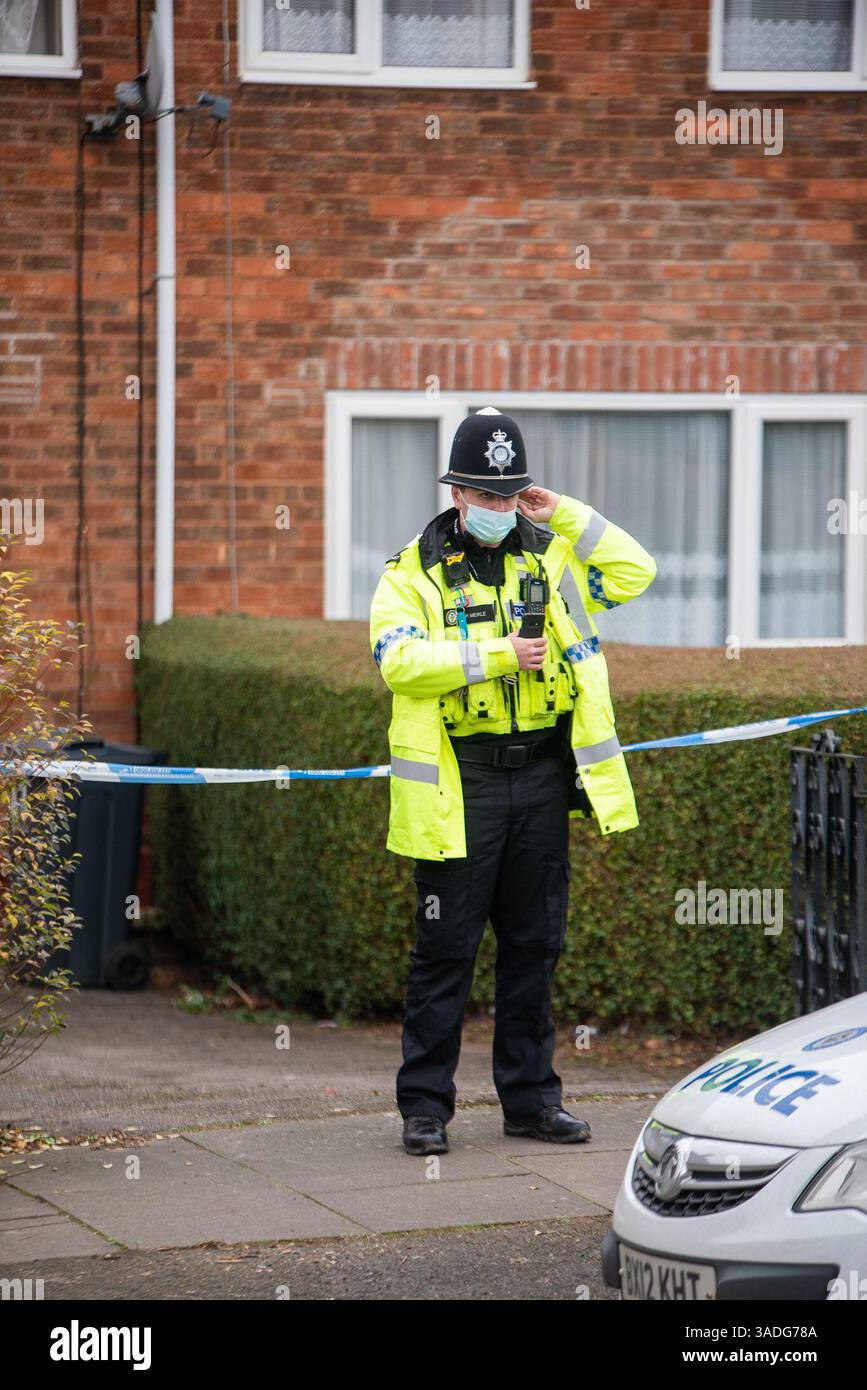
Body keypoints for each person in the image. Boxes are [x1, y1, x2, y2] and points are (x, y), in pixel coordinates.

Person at [369, 408, 657, 1156]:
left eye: (510, 496)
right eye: (486, 497)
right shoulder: (412, 571)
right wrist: (499, 655)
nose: (498, 510)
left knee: (534, 946)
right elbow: (397, 661)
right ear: (457, 494)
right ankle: (424, 1110)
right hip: (458, 784)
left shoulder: (553, 556)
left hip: (538, 778)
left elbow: (635, 570)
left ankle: (530, 1101)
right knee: (445, 951)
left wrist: (564, 511)